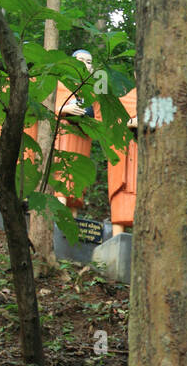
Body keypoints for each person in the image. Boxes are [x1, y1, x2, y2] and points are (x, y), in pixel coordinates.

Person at [44, 49, 95, 213]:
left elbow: (100, 117)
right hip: (64, 136)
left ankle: (72, 219)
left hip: (82, 138)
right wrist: (66, 109)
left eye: (88, 62)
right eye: (80, 60)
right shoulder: (59, 84)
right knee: (61, 175)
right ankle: (59, 214)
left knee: (77, 180)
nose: (84, 64)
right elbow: (49, 109)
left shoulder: (94, 91)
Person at [102, 88, 138, 236]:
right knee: (119, 203)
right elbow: (108, 122)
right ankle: (116, 239)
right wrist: (129, 122)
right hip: (124, 159)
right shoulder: (122, 99)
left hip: (139, 160)